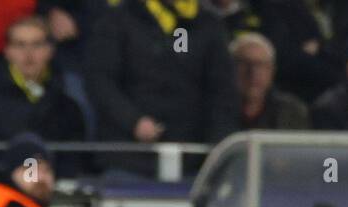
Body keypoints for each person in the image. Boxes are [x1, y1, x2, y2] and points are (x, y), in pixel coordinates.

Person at [84, 0, 239, 176]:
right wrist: (133, 121)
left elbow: (222, 94)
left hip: (192, 161)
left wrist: (217, 152)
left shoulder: (207, 24)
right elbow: (100, 81)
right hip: (127, 158)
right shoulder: (118, 19)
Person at [0, 15, 87, 176]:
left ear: (50, 50)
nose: (28, 54)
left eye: (36, 45)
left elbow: (73, 163)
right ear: (7, 51)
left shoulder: (68, 107)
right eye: (20, 45)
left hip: (55, 196)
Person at [232, 32, 310, 131]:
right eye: (245, 63)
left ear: (272, 71)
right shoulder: (212, 108)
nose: (253, 72)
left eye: (260, 65)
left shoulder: (292, 112)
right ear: (230, 67)